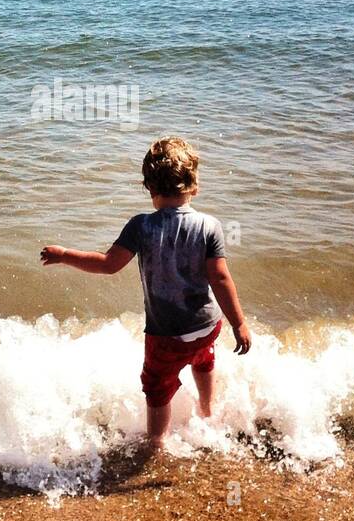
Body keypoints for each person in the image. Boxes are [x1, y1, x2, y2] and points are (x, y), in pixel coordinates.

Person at [41, 137, 251, 445]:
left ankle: (157, 442)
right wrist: (239, 323)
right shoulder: (210, 225)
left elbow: (108, 265)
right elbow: (220, 279)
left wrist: (64, 255)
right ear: (194, 186)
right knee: (204, 360)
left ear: (150, 188)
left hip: (166, 336)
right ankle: (208, 413)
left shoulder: (141, 226)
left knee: (157, 387)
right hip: (207, 326)